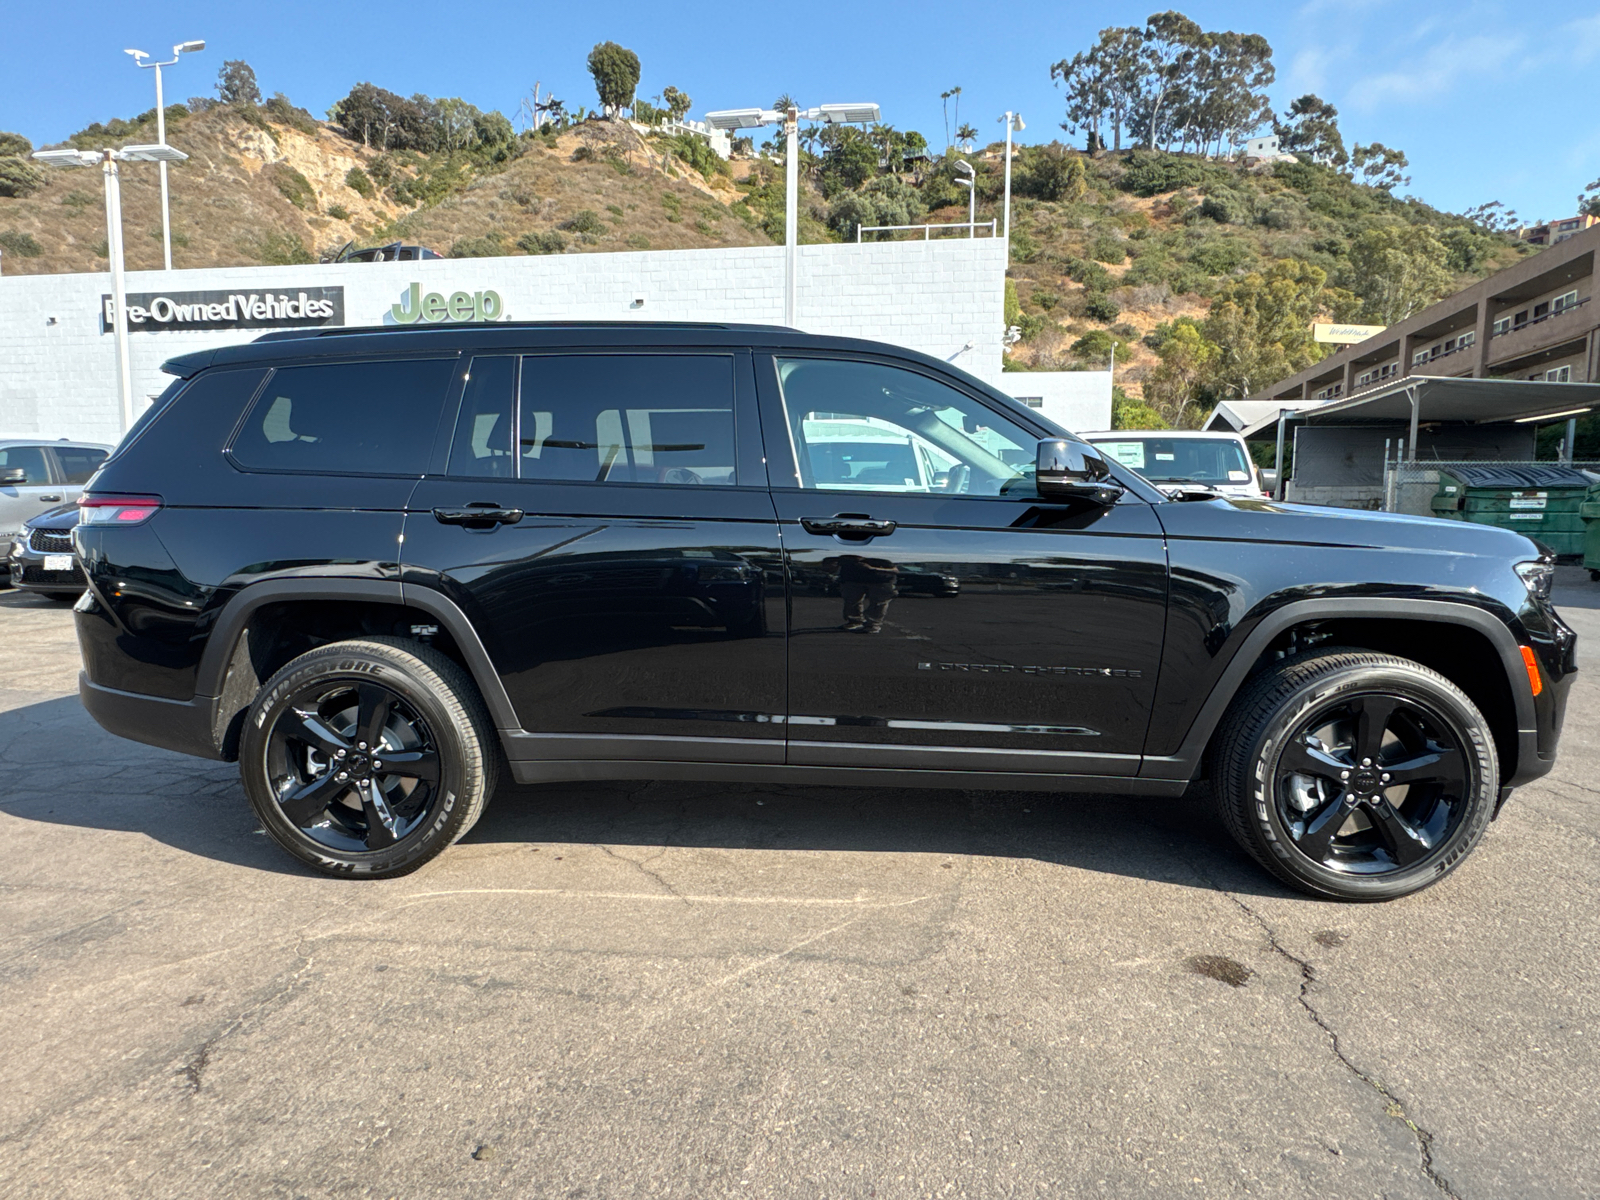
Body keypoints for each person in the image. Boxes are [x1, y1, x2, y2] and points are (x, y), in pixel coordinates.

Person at [837, 554, 899, 633]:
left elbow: (895, 570)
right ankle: (854, 622)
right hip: (852, 579)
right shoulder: (846, 556)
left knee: (878, 603)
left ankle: (873, 625)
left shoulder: (880, 557)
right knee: (851, 601)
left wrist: (872, 568)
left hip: (881, 580)